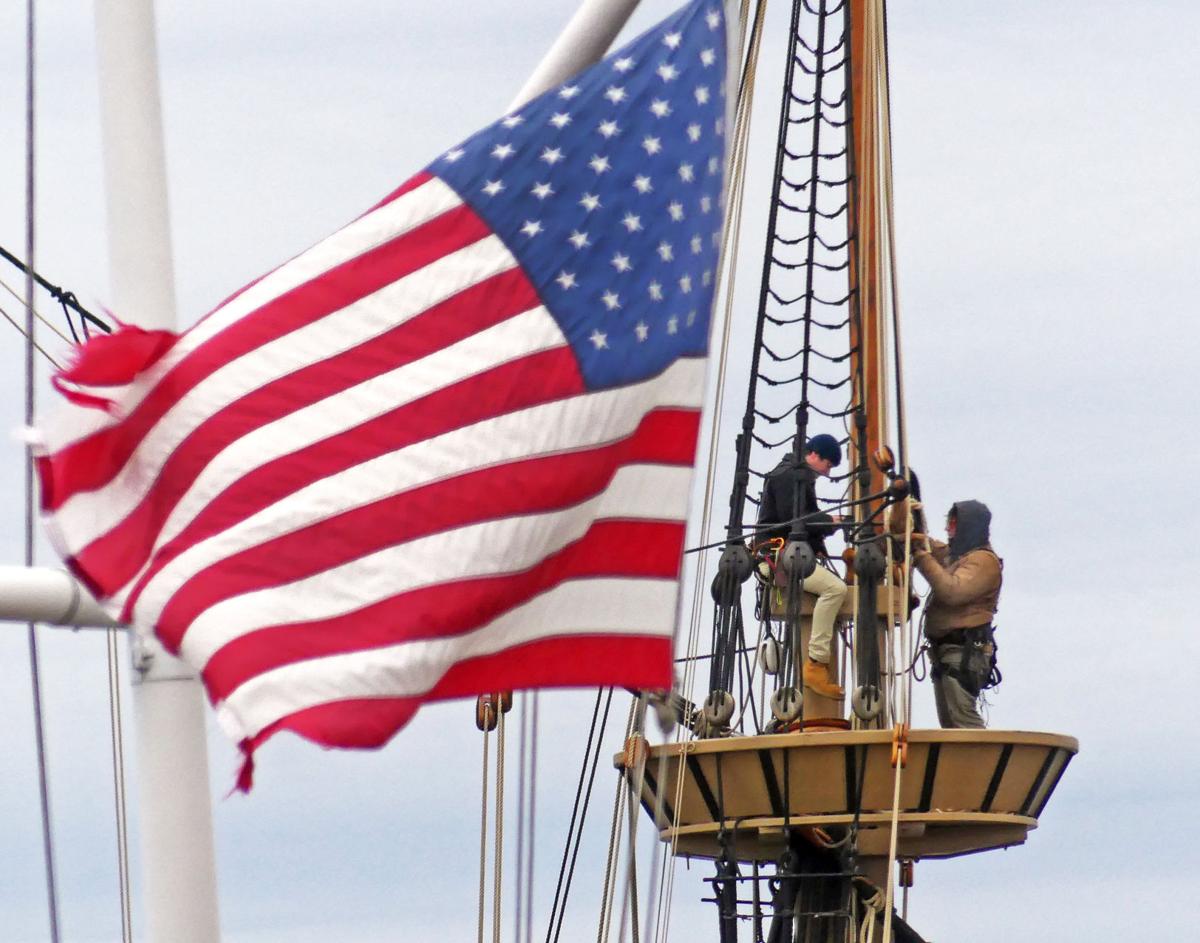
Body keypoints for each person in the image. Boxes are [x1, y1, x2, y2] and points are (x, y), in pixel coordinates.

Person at [757, 433, 847, 699]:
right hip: (778, 560)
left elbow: (803, 522)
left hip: (791, 557)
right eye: (828, 465)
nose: (828, 473)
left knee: (830, 586)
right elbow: (795, 520)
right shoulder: (789, 477)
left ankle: (815, 664)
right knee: (835, 589)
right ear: (815, 455)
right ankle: (816, 665)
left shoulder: (798, 476)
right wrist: (831, 522)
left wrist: (821, 538)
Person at [911, 500, 1002, 729]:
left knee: (963, 724)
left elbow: (952, 591)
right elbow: (934, 549)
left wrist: (920, 556)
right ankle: (972, 761)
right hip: (947, 653)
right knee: (952, 724)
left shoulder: (983, 561)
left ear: (967, 527)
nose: (948, 530)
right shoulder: (962, 556)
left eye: (953, 525)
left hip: (963, 653)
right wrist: (914, 530)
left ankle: (982, 760)